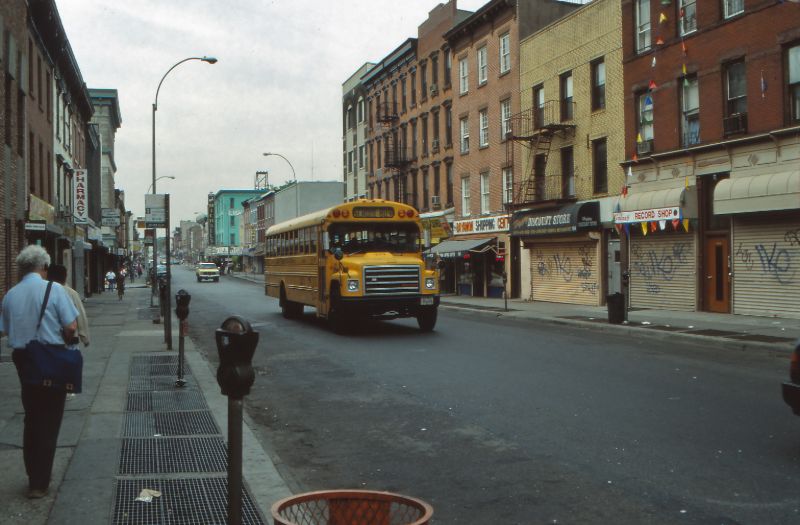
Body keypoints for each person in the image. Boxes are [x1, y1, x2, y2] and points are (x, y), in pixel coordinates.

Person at [0, 245, 78, 499]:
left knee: (32, 418)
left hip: (24, 361)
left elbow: (6, 329)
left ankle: (33, 473)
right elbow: (71, 326)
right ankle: (39, 482)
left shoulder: (10, 294)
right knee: (50, 420)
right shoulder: (53, 289)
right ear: (43, 267)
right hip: (50, 359)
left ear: (22, 267)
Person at [47, 264, 90, 350]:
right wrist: (85, 338)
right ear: (65, 276)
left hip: (48, 340)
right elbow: (80, 316)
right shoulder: (71, 293)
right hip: (69, 341)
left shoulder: (43, 292)